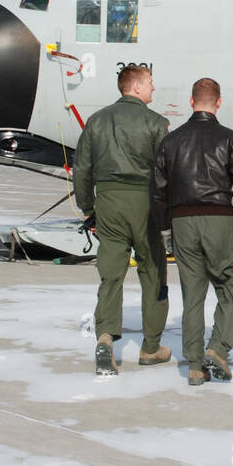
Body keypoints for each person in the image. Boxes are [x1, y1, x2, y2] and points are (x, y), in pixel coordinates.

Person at [152, 77, 233, 386]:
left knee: (193, 295)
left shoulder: (170, 142)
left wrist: (164, 230)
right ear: (219, 102)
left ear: (191, 102)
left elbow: (158, 191)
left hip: (182, 223)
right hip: (218, 219)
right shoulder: (231, 140)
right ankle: (218, 348)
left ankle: (195, 366)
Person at [72, 64, 171, 375]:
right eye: (151, 83)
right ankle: (151, 348)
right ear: (137, 87)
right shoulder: (157, 123)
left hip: (109, 202)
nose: (154, 89)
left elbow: (82, 170)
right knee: (153, 273)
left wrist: (89, 209)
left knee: (111, 274)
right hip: (144, 203)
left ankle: (104, 338)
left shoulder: (96, 121)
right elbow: (165, 174)